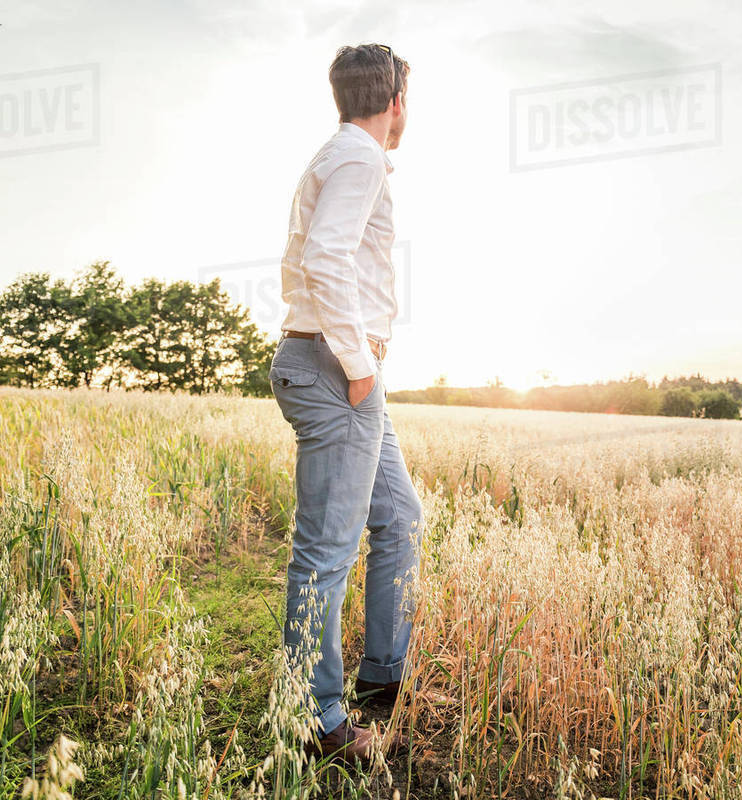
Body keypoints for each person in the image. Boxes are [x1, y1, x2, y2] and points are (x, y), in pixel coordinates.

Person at [269, 43, 421, 761]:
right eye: (406, 101)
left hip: (338, 368)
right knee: (326, 553)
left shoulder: (341, 154)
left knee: (399, 518)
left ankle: (382, 680)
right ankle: (316, 720)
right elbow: (327, 257)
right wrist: (360, 368)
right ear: (393, 103)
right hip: (335, 370)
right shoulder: (360, 158)